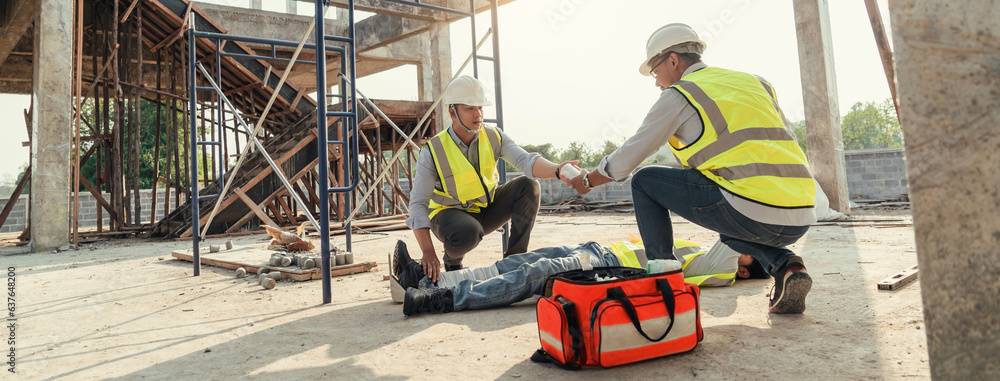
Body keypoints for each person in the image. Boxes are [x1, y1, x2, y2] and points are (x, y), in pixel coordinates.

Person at [563, 23, 816, 314]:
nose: (657, 82)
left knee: (645, 180)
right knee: (728, 230)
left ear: (673, 60)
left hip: (748, 210)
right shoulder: (756, 82)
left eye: (655, 71)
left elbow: (629, 155)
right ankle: (786, 265)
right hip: (802, 212)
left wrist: (587, 180)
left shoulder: (681, 94)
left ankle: (664, 275)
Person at [407, 75, 576, 283]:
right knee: (468, 231)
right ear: (452, 113)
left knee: (528, 185)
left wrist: (558, 170)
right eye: (470, 108)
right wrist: (428, 252)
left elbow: (526, 160)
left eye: (480, 107)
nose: (478, 114)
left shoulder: (494, 136)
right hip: (448, 217)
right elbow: (418, 203)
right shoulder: (433, 150)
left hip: (486, 209)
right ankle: (452, 260)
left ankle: (514, 261)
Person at [390, 236, 770, 316]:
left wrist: (773, 250)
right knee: (518, 261)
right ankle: (423, 279)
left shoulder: (719, 269)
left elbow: (732, 235)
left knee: (536, 274)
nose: (744, 245)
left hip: (608, 270)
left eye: (749, 252)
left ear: (742, 267)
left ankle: (441, 300)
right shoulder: (707, 256)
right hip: (599, 249)